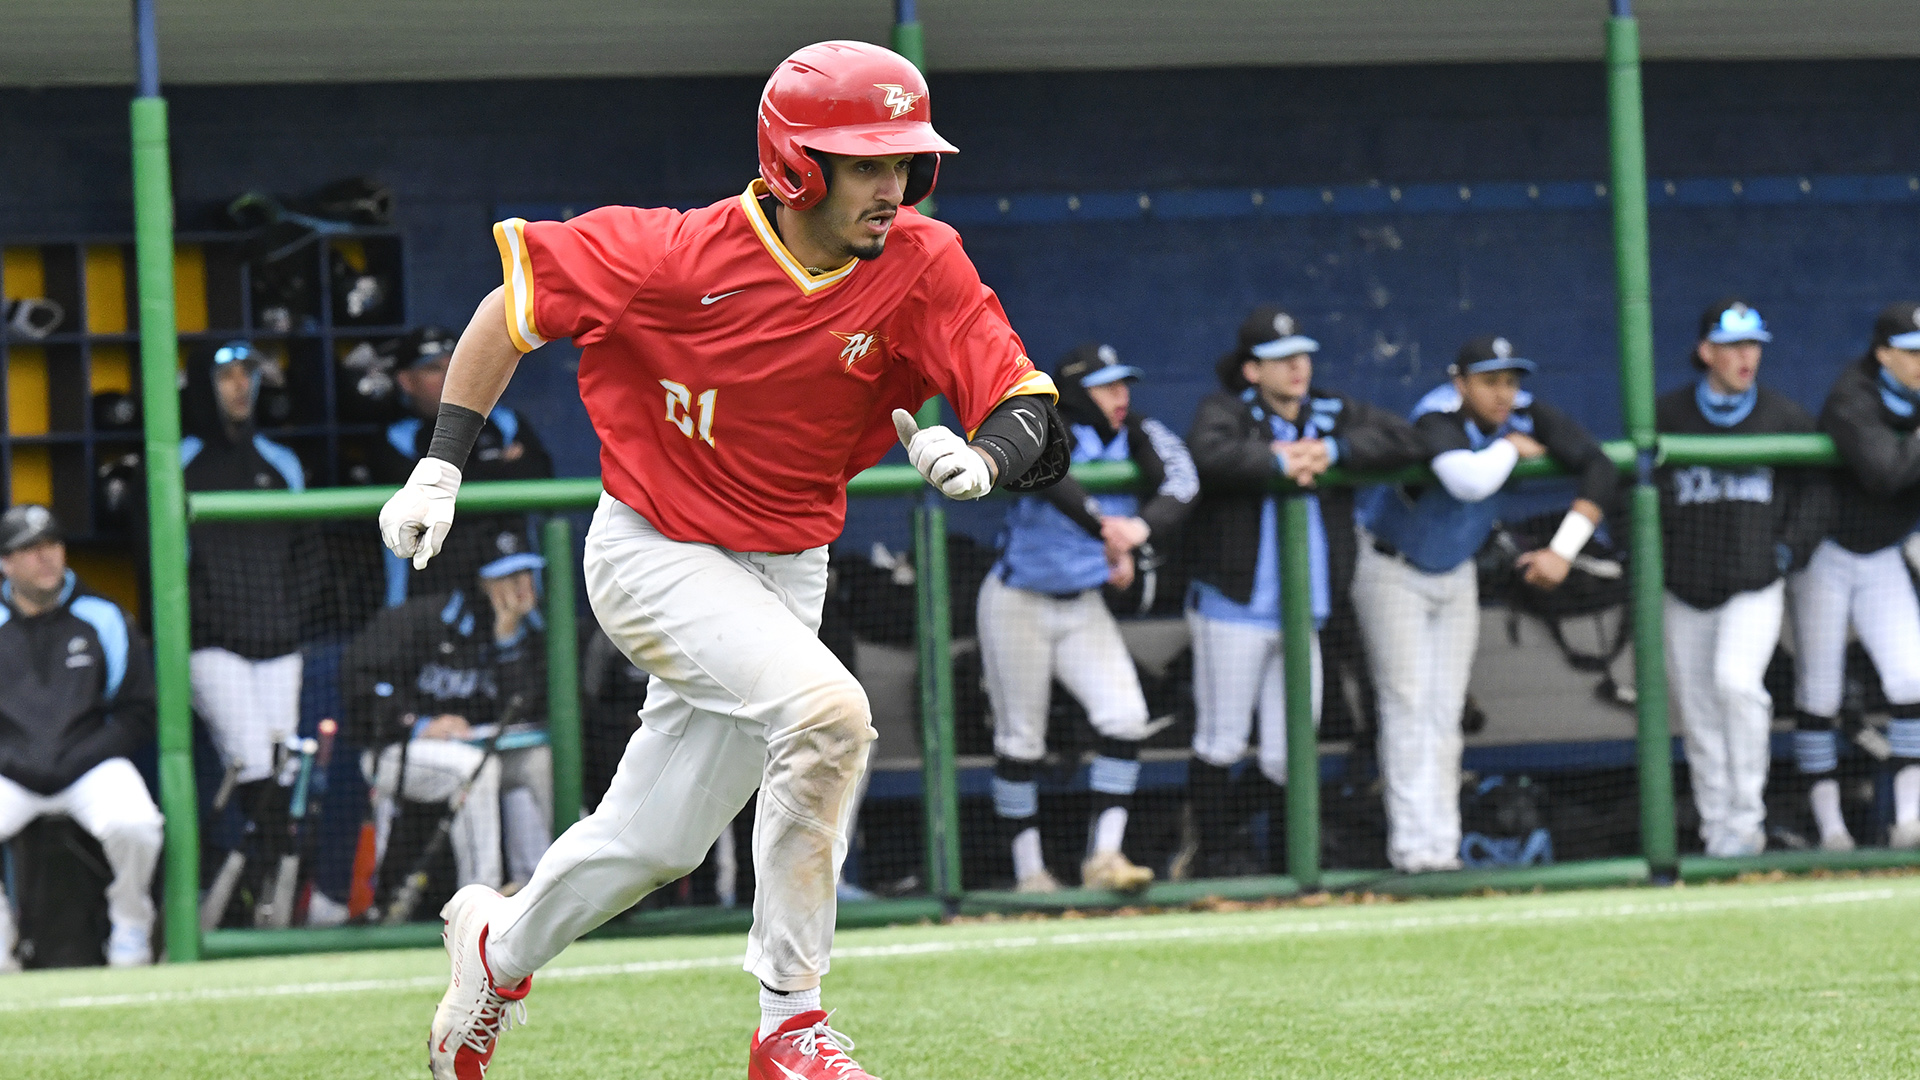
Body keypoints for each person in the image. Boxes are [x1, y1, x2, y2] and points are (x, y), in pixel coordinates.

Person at [377, 41, 1066, 1080]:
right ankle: (790, 1024)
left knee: (655, 843)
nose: (893, 186)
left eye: (904, 162)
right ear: (795, 166)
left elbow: (1032, 413)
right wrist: (441, 467)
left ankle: (495, 952)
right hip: (654, 549)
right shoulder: (667, 252)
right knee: (830, 718)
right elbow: (507, 312)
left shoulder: (922, 261)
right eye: (866, 163)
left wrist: (986, 458)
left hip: (789, 568)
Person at [1355, 335, 1616, 873]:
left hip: (1454, 571)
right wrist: (1509, 449)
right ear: (1461, 383)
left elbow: (1599, 466)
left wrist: (1562, 550)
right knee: (1407, 704)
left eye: (1510, 381)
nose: (1503, 394)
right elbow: (1468, 481)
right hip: (1392, 569)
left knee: (1446, 711)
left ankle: (1442, 846)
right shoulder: (1437, 414)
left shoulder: (1525, 412)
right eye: (1489, 381)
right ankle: (1412, 849)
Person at [1183, 307, 1425, 876]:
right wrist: (1278, 459)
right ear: (1251, 371)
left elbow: (1407, 439)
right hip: (1234, 608)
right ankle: (1209, 862)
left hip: (1305, 613)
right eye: (1280, 359)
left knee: (1288, 753)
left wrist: (1333, 452)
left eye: (1302, 356)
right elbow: (1206, 454)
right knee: (1221, 740)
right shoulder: (1225, 410)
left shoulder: (1330, 411)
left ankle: (1283, 868)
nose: (1298, 368)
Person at [978, 342, 1197, 894]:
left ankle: (1105, 856)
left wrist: (1138, 530)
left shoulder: (1139, 431)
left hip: (1081, 605)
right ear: (1076, 391)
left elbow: (1184, 480)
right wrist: (1106, 530)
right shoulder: (1042, 425)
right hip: (1017, 601)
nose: (1121, 397)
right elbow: (1048, 476)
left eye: (1124, 385)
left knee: (1125, 718)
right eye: (1106, 387)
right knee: (1021, 740)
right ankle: (1030, 873)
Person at [1658, 300, 1826, 857]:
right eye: (1732, 346)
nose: (1745, 356)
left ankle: (1748, 821)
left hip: (1754, 584)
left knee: (1736, 685)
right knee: (1699, 712)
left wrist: (1788, 550)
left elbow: (1818, 488)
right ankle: (1719, 833)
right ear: (1706, 351)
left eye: (1752, 344)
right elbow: (1627, 492)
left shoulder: (1783, 414)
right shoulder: (1669, 414)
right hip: (1685, 588)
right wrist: (1653, 559)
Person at [179, 340, 314, 922]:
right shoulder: (177, 461)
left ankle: (268, 897)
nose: (240, 387)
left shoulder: (281, 463)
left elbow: (306, 553)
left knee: (283, 767)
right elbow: (162, 564)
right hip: (212, 647)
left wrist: (291, 618)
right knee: (255, 761)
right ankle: (251, 890)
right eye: (226, 376)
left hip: (279, 645)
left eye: (247, 375)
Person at [342, 531, 552, 895]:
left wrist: (507, 641)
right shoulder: (424, 618)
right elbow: (355, 676)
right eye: (507, 577)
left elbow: (523, 710)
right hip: (397, 751)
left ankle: (563, 887)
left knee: (542, 760)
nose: (521, 587)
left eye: (526, 574)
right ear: (482, 583)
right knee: (474, 769)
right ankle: (481, 896)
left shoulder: (530, 633)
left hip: (479, 749)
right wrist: (418, 723)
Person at [0, 505, 164, 969]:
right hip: (10, 769)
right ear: (5, 563)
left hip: (88, 765)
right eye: (29, 549)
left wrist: (76, 759)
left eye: (52, 544)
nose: (46, 557)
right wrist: (16, 761)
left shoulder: (102, 615)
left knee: (136, 824)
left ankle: (130, 924)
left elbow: (138, 713)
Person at [1790, 302, 1920, 851]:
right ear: (1884, 354)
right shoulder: (1852, 396)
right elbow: (1886, 474)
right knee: (1819, 693)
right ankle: (1831, 830)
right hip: (1827, 553)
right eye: (1913, 353)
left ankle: (1910, 821)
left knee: (1912, 679)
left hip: (1882, 553)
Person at [377, 324, 553, 605]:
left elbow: (543, 482)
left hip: (512, 566)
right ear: (406, 381)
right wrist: (500, 468)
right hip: (431, 588)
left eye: (456, 365)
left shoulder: (505, 422)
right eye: (433, 368)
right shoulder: (397, 438)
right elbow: (430, 505)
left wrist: (462, 476)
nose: (449, 377)